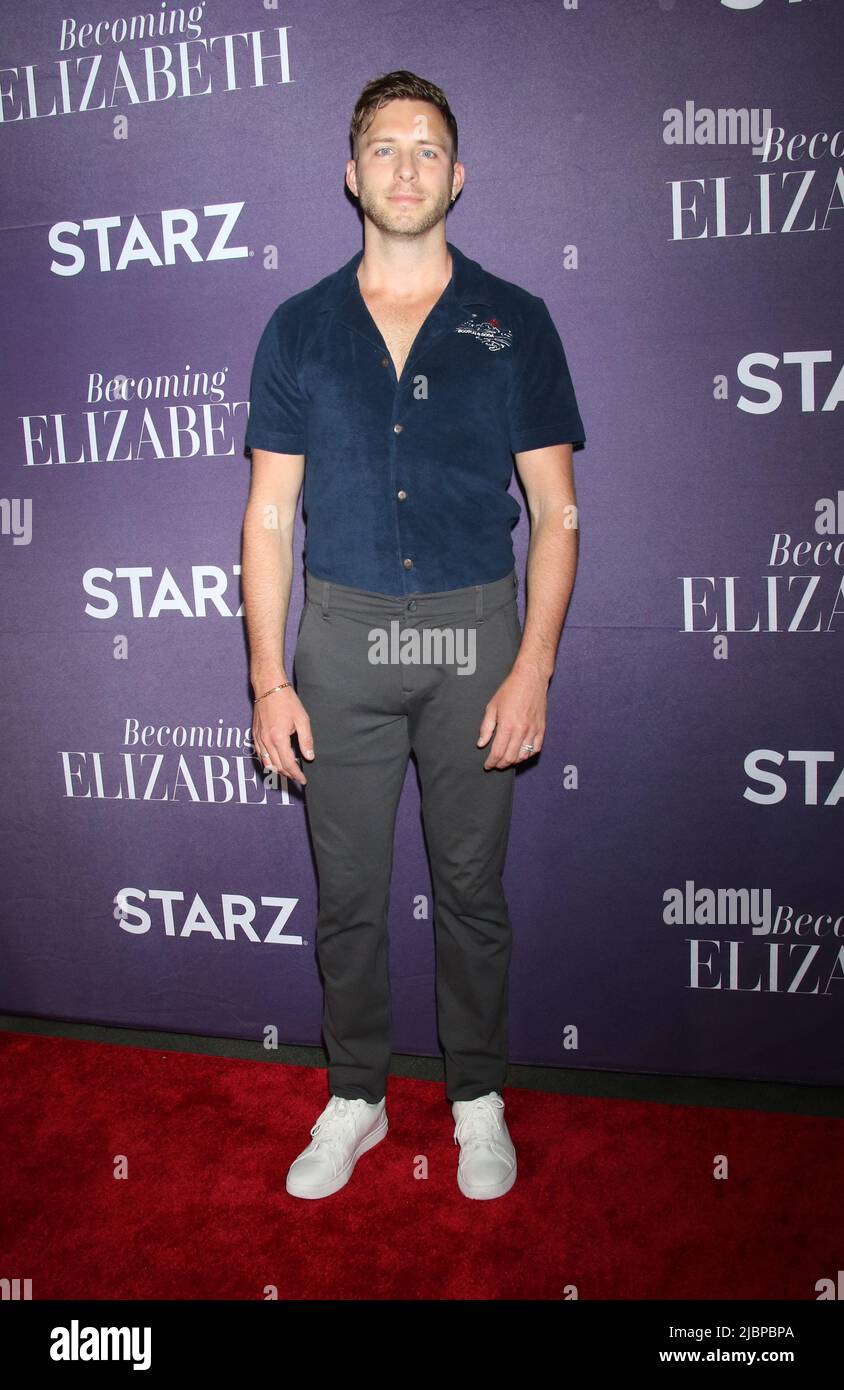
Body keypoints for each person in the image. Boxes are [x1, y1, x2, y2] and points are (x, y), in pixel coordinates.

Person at [241, 70, 586, 1201]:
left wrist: (531, 663)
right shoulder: (298, 327)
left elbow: (556, 512)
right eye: (383, 148)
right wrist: (266, 680)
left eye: (425, 149)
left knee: (471, 888)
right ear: (351, 174)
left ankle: (477, 1095)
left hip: (471, 639)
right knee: (346, 892)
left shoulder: (513, 321)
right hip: (336, 642)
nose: (403, 166)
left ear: (457, 173)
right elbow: (270, 515)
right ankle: (356, 1097)